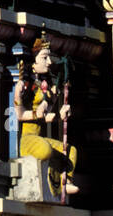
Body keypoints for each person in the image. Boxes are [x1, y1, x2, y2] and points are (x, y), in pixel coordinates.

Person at [15, 37, 78, 197]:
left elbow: (46, 118)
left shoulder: (45, 88)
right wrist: (37, 113)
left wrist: (60, 115)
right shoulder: (22, 86)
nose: (49, 62)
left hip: (38, 137)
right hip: (26, 139)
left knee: (70, 151)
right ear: (33, 61)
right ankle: (56, 180)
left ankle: (65, 182)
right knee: (45, 150)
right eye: (44, 57)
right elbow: (20, 115)